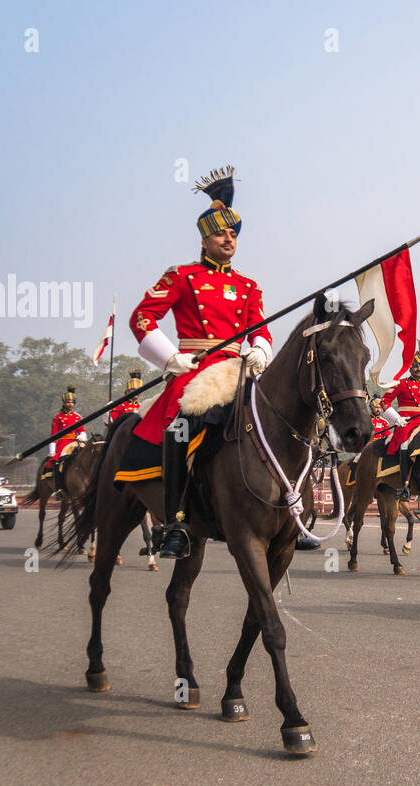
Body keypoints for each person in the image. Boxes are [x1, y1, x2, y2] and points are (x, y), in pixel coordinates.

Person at [126, 165, 273, 558]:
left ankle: (289, 511)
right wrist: (172, 357)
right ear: (205, 239)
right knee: (180, 427)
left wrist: (259, 349)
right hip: (194, 371)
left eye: (234, 234)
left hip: (237, 369)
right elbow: (142, 317)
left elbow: (260, 329)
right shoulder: (182, 276)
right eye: (222, 233)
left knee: (281, 421)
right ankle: (175, 523)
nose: (229, 239)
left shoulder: (248, 286)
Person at [381, 346, 420, 502]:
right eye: (415, 365)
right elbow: (384, 402)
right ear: (410, 368)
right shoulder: (400, 384)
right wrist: (396, 418)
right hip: (405, 425)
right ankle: (404, 486)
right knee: (405, 446)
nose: (418, 369)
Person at [49, 386, 87, 500]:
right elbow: (54, 435)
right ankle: (58, 489)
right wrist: (52, 449)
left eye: (72, 402)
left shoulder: (77, 417)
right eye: (68, 402)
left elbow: (82, 430)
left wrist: (81, 436)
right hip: (63, 443)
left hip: (75, 442)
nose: (70, 404)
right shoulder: (58, 417)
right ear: (64, 403)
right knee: (57, 463)